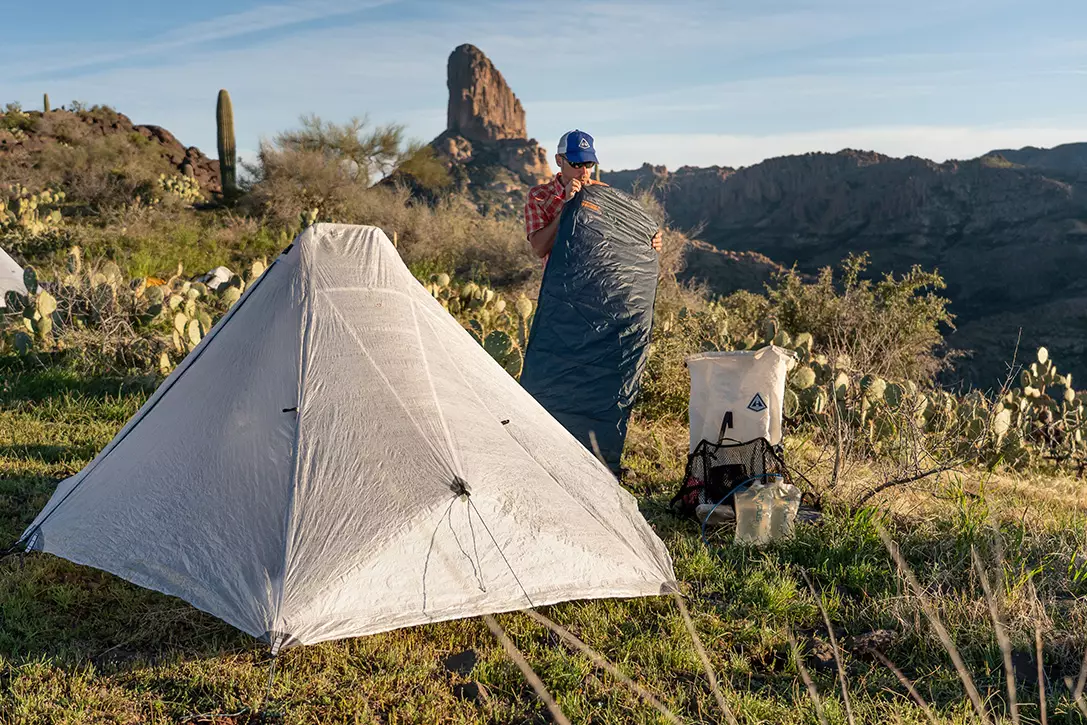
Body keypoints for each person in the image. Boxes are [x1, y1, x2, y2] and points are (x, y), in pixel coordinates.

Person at [524, 129, 663, 264]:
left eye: (589, 164)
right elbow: (539, 249)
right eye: (576, 164)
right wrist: (568, 206)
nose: (584, 172)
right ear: (559, 160)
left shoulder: (603, 191)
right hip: (560, 284)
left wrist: (650, 238)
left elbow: (622, 232)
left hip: (601, 281)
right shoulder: (539, 196)